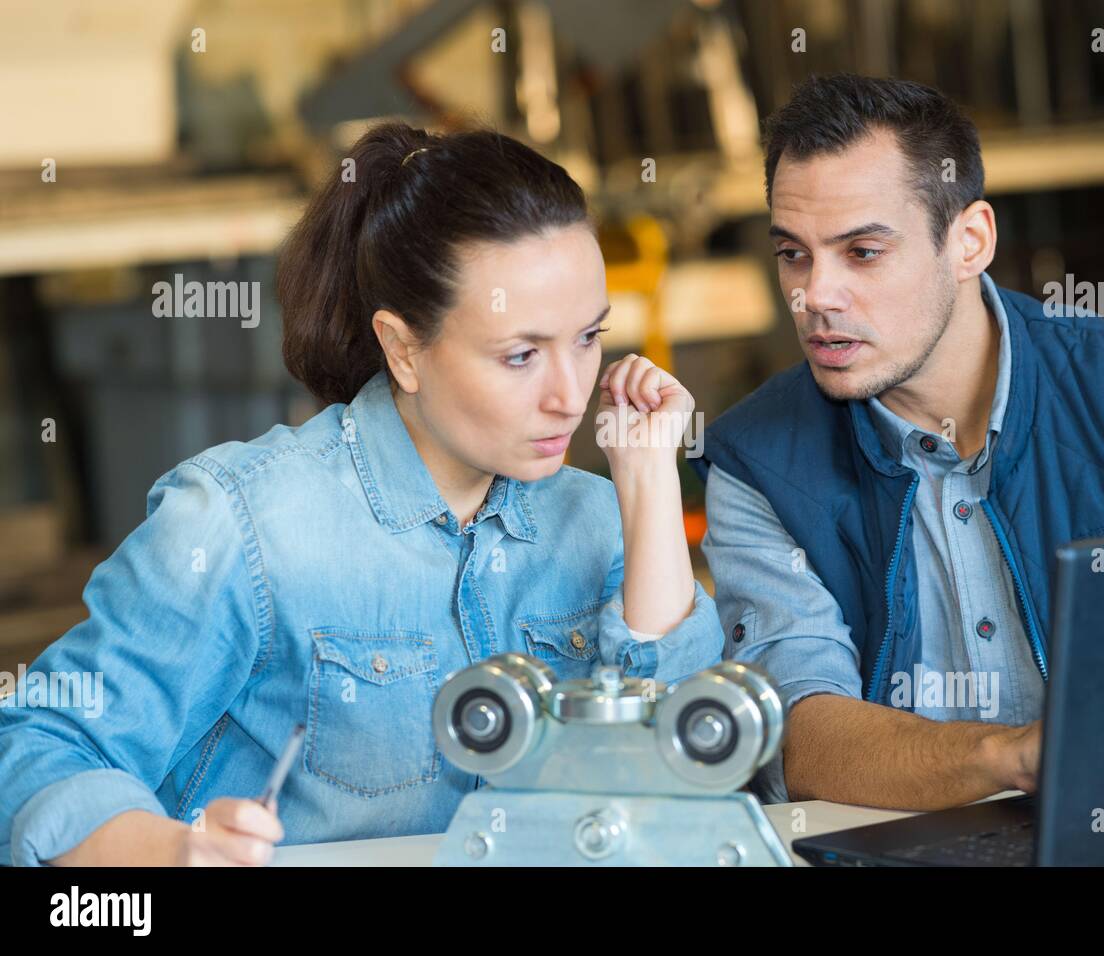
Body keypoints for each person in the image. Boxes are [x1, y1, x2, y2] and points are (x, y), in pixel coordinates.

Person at [0, 123, 722, 866]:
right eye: (521, 355)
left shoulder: (596, 520)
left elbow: (694, 777)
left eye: (588, 337)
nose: (570, 395)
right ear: (403, 347)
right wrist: (174, 853)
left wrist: (647, 484)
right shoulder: (245, 523)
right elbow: (40, 742)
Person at [693, 74, 1104, 811]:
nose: (815, 296)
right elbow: (800, 734)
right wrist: (1010, 756)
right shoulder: (757, 461)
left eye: (862, 252)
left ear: (969, 241)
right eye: (794, 254)